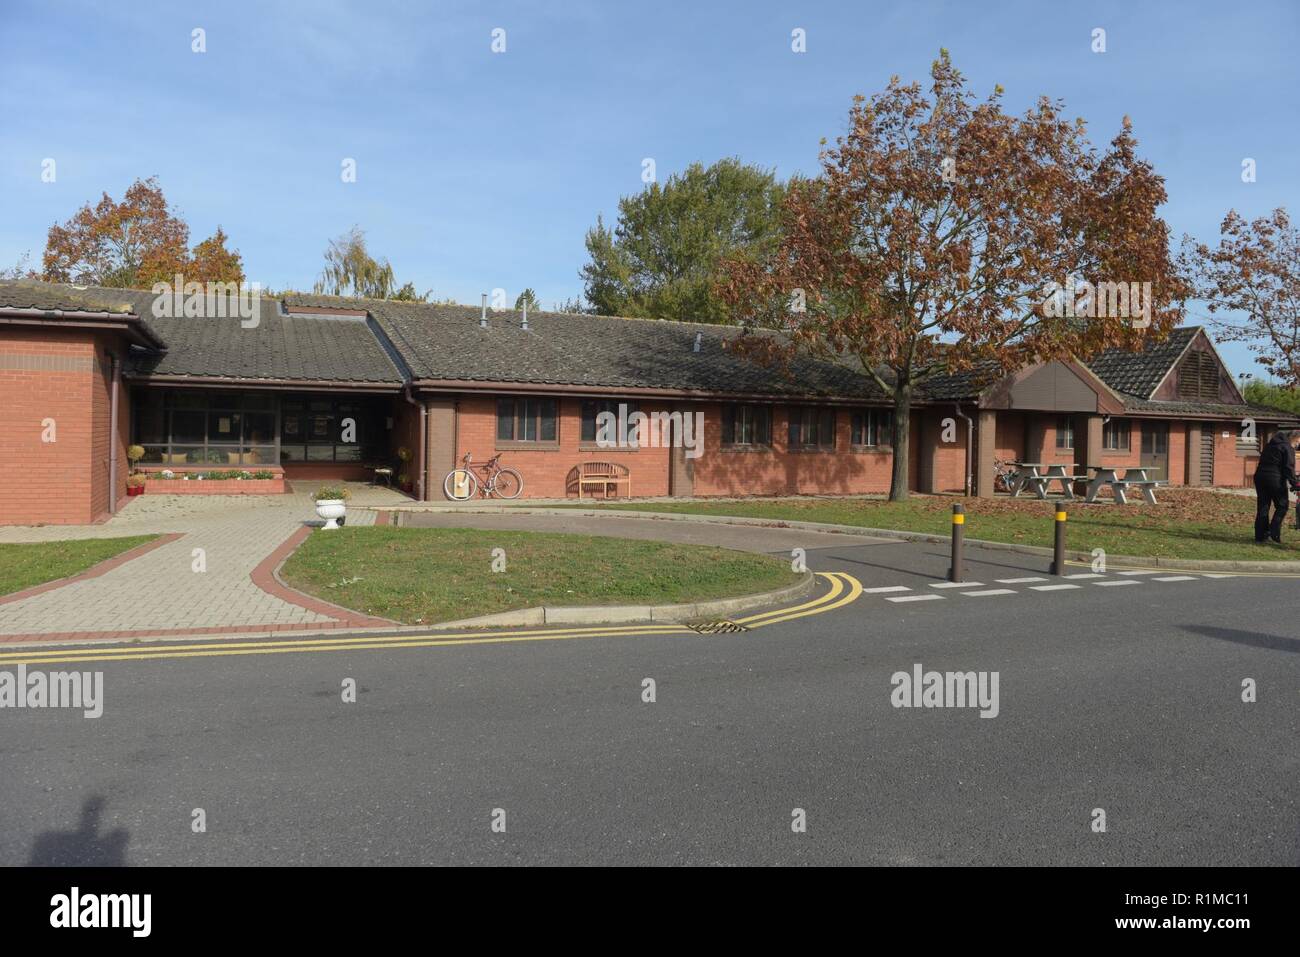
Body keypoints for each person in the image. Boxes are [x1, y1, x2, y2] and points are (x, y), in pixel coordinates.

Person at [1253, 429, 1300, 544]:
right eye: (1298, 441)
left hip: (1259, 477)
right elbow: (1288, 467)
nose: (1298, 444)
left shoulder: (1270, 445)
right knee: (1282, 506)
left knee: (1263, 506)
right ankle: (1274, 534)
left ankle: (1260, 536)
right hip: (1274, 479)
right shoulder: (1287, 447)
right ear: (1293, 438)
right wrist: (1295, 484)